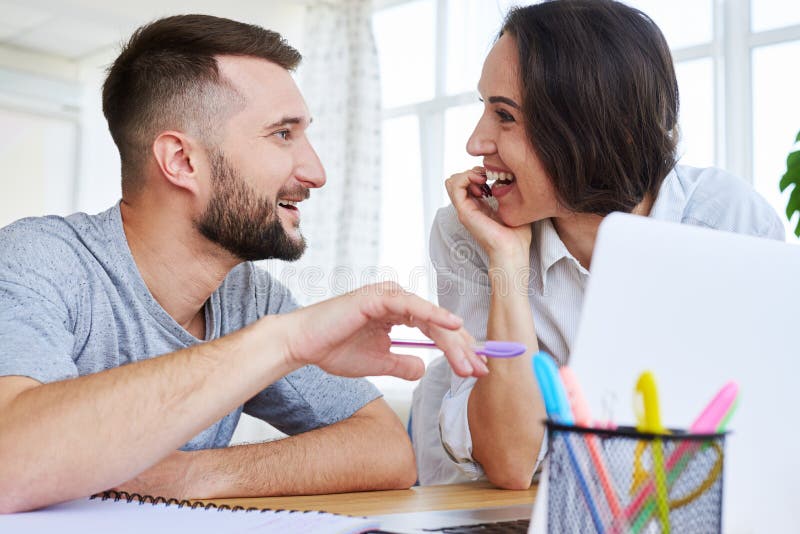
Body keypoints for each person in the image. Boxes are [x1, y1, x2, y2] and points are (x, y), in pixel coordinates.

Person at [0, 14, 490, 514]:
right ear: (181, 161)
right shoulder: (38, 261)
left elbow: (386, 450)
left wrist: (192, 474)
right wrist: (284, 342)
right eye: (282, 134)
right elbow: (9, 462)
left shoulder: (248, 296)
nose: (316, 172)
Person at [412, 0, 784, 489]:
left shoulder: (726, 221)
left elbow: (763, 427)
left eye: (505, 116)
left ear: (601, 127)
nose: (475, 142)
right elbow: (511, 461)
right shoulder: (470, 231)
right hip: (493, 509)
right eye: (484, 108)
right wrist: (507, 259)